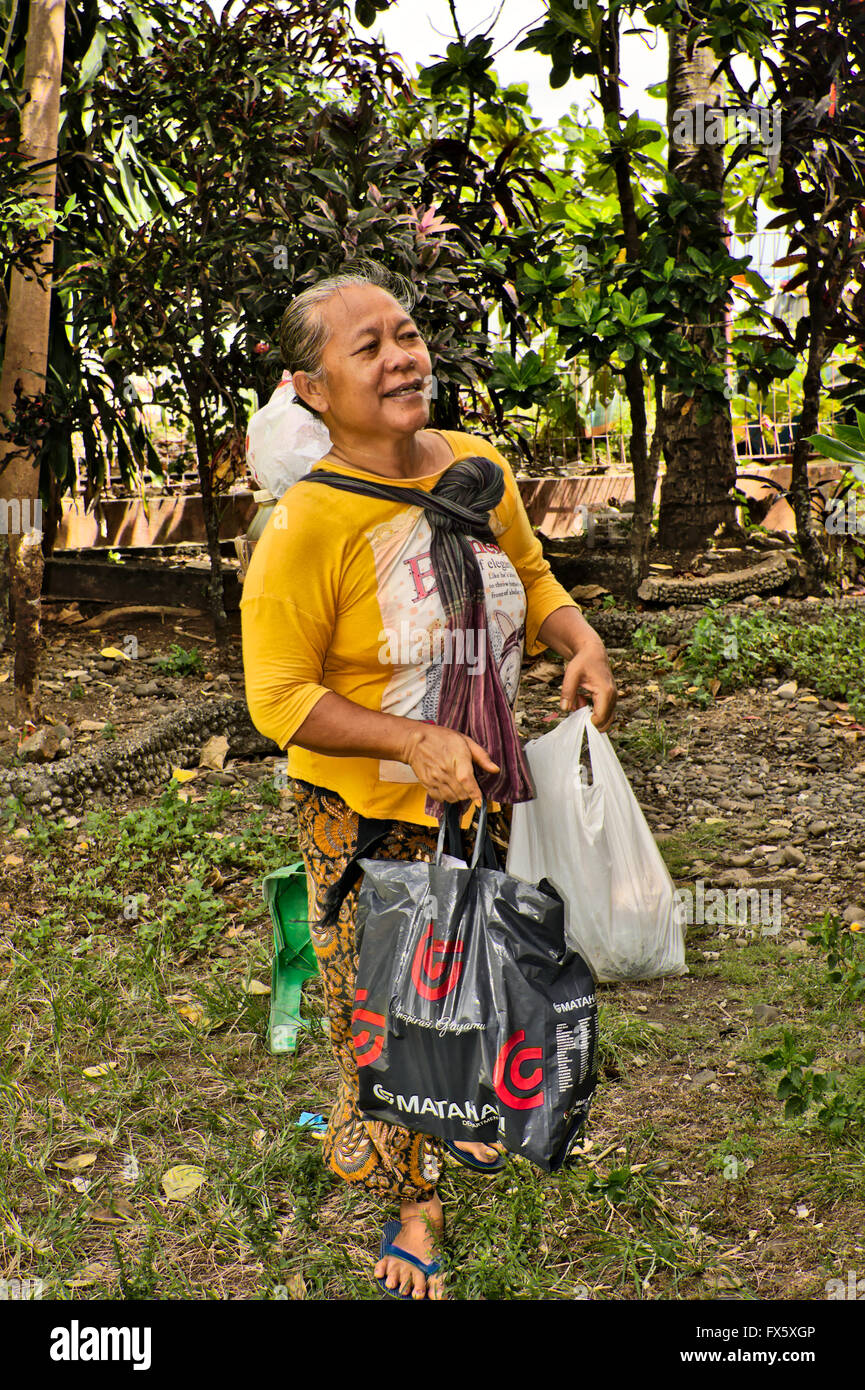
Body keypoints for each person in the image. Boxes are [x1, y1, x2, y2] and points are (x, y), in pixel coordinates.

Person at [241, 260, 617, 1300]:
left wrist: (574, 636)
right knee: (385, 1010)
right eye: (368, 348)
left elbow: (532, 577)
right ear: (312, 389)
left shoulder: (476, 467)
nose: (403, 356)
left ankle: (468, 1101)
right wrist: (408, 743)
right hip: (365, 814)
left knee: (481, 956)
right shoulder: (306, 528)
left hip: (481, 786)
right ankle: (415, 1203)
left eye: (405, 334)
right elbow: (277, 698)